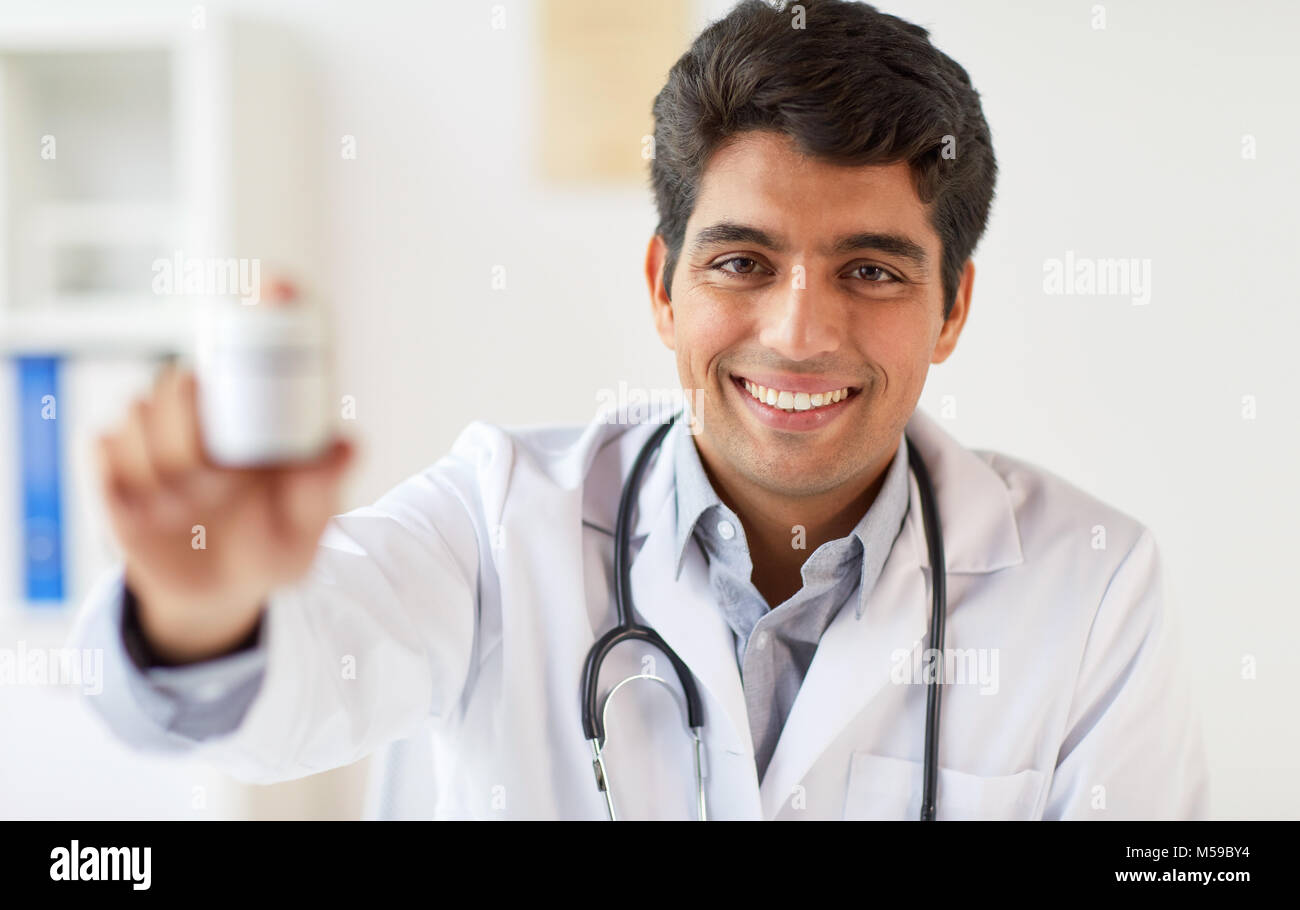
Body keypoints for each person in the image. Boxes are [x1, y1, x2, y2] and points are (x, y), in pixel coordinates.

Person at [70, 0, 1208, 819]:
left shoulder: (1090, 583)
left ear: (952, 306)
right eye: (742, 262)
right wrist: (200, 606)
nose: (800, 332)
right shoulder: (495, 519)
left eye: (870, 270)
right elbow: (295, 689)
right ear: (661, 285)